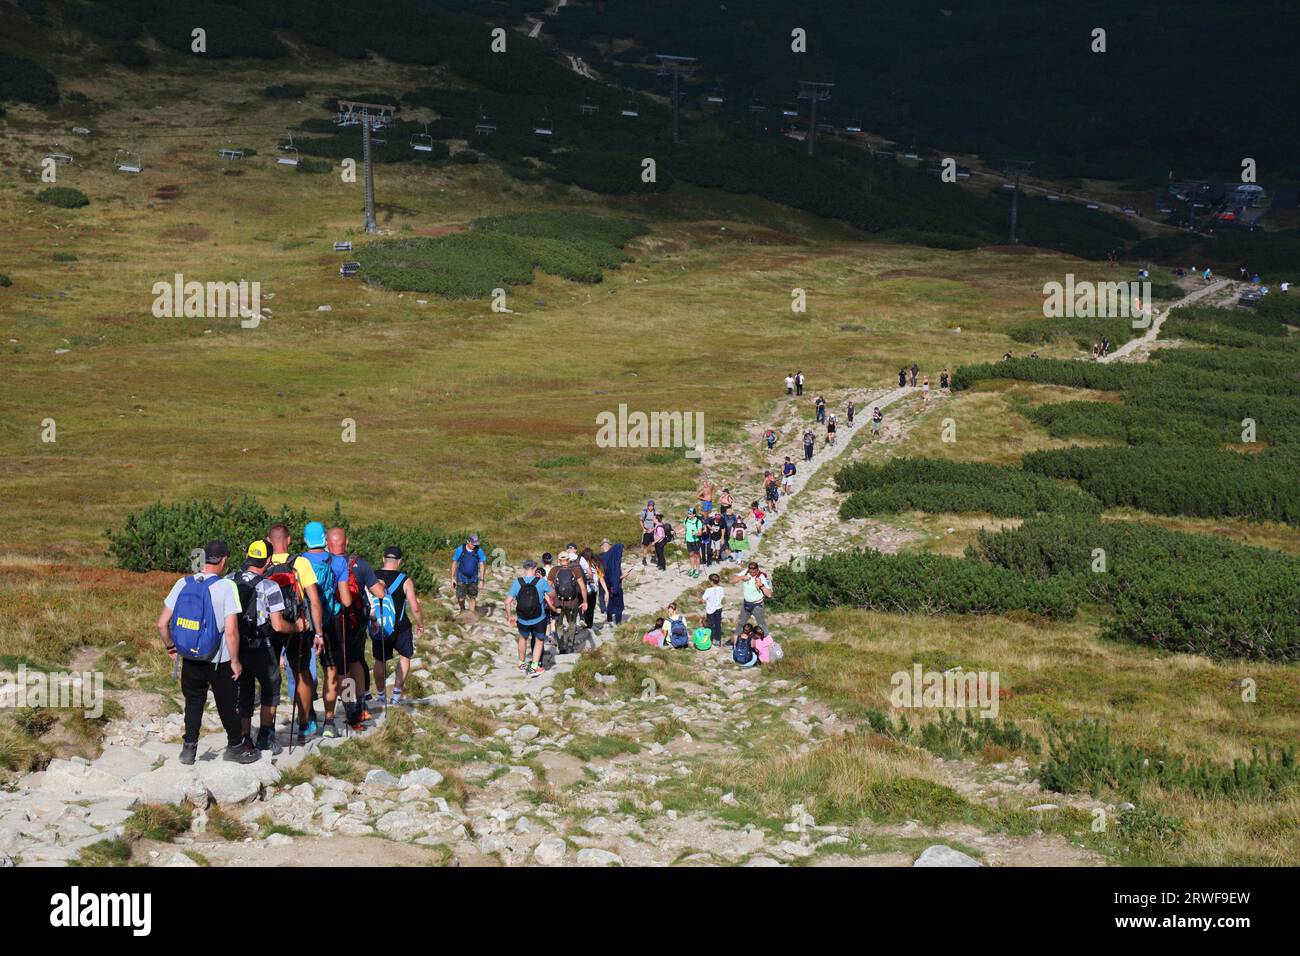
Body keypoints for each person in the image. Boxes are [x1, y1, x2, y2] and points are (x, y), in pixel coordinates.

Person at [157, 541, 257, 765]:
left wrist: (171, 646)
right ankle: (235, 747)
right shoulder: (226, 587)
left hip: (190, 658)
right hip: (217, 659)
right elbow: (231, 631)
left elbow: (162, 624)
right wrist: (236, 661)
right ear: (223, 560)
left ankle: (189, 749)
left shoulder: (183, 582)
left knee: (193, 702)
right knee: (226, 703)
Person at [228, 539, 295, 753]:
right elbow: (277, 625)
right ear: (267, 560)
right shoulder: (270, 586)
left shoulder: (229, 580)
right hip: (261, 647)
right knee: (270, 689)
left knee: (244, 693)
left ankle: (245, 738)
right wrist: (297, 627)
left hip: (236, 646)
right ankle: (266, 736)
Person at [268, 523, 325, 742]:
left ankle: (268, 729)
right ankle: (305, 723)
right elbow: (314, 600)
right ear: (289, 540)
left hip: (272, 627)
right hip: (298, 626)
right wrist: (318, 632)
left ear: (269, 540)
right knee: (302, 673)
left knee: (270, 677)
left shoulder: (264, 563)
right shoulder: (300, 563)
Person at [328, 526, 383, 728]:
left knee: (342, 668)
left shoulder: (323, 563)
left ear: (328, 543)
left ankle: (349, 708)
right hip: (356, 622)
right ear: (347, 542)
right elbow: (379, 593)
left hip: (334, 623)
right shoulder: (358, 563)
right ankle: (361, 705)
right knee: (357, 660)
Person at [300, 520, 349, 738]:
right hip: (329, 622)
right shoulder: (338, 562)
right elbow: (346, 600)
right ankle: (329, 720)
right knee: (331, 671)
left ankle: (308, 717)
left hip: (305, 624)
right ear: (324, 540)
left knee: (303, 671)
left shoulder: (298, 562)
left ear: (304, 540)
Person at [373, 545, 422, 704]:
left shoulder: (372, 577)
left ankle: (380, 696)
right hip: (401, 626)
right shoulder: (405, 580)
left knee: (380, 660)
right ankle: (395, 696)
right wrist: (420, 623)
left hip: (380, 625)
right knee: (404, 657)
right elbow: (414, 606)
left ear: (383, 559)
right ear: (399, 561)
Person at [507, 560, 554, 677]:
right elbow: (552, 594)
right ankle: (534, 667)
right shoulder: (541, 582)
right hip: (539, 618)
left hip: (522, 618)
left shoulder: (517, 582)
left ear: (523, 569)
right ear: (535, 569)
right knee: (539, 640)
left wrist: (509, 616)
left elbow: (507, 602)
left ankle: (521, 663)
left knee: (523, 638)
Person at [547, 551, 588, 651]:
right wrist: (585, 601)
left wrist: (552, 598)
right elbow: (583, 587)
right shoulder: (575, 570)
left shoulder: (554, 570)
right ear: (568, 560)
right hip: (573, 601)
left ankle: (561, 647)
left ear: (559, 560)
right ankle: (570, 645)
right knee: (572, 623)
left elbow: (547, 587)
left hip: (558, 602)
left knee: (559, 625)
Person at [733, 561, 772, 637]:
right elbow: (732, 580)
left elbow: (769, 594)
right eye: (751, 570)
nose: (752, 572)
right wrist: (741, 577)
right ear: (749, 569)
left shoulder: (761, 577)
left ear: (757, 569)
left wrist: (761, 586)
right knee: (741, 623)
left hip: (757, 605)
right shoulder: (746, 572)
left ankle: (768, 642)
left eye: (754, 570)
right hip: (746, 604)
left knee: (761, 624)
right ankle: (735, 640)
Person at [450, 534, 486, 614]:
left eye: (476, 544)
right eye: (473, 544)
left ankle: (471, 615)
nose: (475, 545)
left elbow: (482, 564)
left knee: (472, 597)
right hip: (461, 577)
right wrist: (452, 578)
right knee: (460, 598)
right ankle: (462, 609)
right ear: (468, 541)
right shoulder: (460, 549)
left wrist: (481, 580)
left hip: (473, 578)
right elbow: (454, 562)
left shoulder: (479, 550)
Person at [599, 539, 625, 625]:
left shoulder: (600, 558)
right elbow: (614, 572)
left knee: (610, 601)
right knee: (618, 603)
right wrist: (622, 577)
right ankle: (618, 622)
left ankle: (609, 619)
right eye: (604, 545)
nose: (605, 546)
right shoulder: (613, 556)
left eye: (607, 545)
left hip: (606, 584)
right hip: (613, 583)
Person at [578, 546, 600, 630]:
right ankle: (589, 625)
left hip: (582, 588)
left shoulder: (579, 563)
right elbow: (593, 575)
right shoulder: (593, 564)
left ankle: (584, 620)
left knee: (584, 605)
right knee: (591, 607)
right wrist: (591, 579)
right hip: (591, 588)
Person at [703, 573, 725, 647]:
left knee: (710, 625)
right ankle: (718, 640)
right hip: (718, 608)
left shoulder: (708, 590)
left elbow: (703, 598)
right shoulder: (721, 588)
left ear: (711, 581)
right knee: (718, 624)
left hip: (710, 610)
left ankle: (709, 639)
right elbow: (722, 598)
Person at [683, 507, 704, 577]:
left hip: (696, 541)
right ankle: (692, 569)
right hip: (688, 540)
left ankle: (697, 570)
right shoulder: (686, 520)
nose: (689, 515)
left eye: (690, 513)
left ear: (694, 515)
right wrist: (675, 531)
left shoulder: (698, 522)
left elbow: (700, 533)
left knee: (696, 556)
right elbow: (685, 529)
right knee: (691, 555)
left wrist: (696, 533)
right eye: (688, 513)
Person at [639, 500, 657, 567]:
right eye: (649, 506)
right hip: (646, 531)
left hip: (653, 531)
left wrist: (653, 529)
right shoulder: (644, 512)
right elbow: (641, 521)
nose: (650, 507)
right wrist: (643, 529)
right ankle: (644, 559)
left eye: (652, 506)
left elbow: (657, 522)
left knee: (653, 545)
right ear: (648, 505)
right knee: (645, 546)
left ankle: (653, 558)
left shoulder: (655, 512)